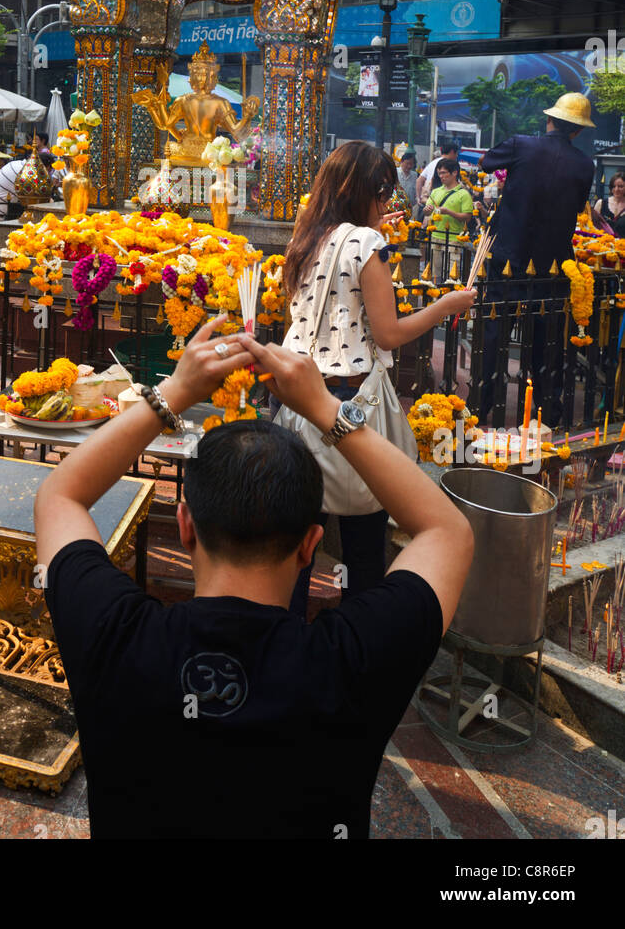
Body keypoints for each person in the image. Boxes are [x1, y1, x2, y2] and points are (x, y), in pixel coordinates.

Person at [35, 316, 474, 841]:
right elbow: (447, 532)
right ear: (312, 544)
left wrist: (173, 393)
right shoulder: (351, 660)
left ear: (184, 526)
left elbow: (59, 495)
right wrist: (326, 409)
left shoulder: (115, 634)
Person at [281, 141, 475, 612]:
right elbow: (387, 334)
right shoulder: (367, 244)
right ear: (361, 191)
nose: (387, 204)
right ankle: (356, 650)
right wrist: (445, 306)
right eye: (383, 193)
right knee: (365, 542)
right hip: (351, 404)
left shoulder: (309, 236)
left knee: (296, 545)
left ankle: (284, 639)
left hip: (299, 398)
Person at [478, 92, 596, 424]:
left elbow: (487, 162)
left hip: (507, 261)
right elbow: (576, 207)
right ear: (577, 131)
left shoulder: (521, 144)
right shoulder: (584, 164)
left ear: (549, 121)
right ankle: (547, 414)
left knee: (494, 339)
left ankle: (482, 407)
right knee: (546, 341)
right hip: (553, 267)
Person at [423, 157, 476, 278]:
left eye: (443, 173)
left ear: (454, 173)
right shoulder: (436, 191)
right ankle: (436, 296)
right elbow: (427, 212)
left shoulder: (463, 194)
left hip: (454, 239)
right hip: (435, 236)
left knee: (452, 275)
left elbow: (467, 217)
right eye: (439, 173)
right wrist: (426, 211)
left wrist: (448, 212)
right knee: (436, 274)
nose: (441, 176)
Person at [416, 138, 459, 204]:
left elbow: (419, 180)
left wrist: (418, 198)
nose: (456, 156)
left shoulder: (432, 163)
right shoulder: (450, 165)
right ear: (452, 152)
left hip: (428, 201)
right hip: (439, 201)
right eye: (456, 153)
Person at [594, 170, 625, 238]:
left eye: (620, 186)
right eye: (614, 186)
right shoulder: (601, 204)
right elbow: (592, 226)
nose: (616, 189)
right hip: (602, 245)